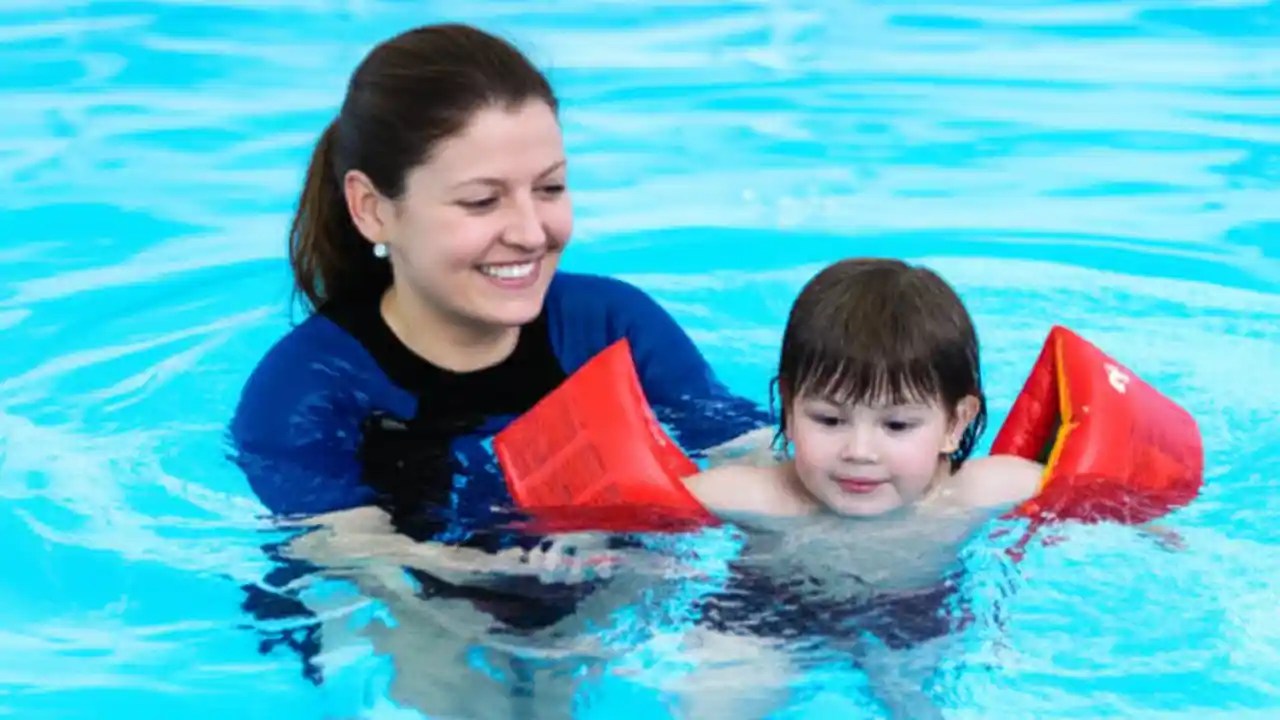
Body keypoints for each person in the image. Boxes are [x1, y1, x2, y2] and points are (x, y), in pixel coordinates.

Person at [225, 22, 769, 716]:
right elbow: (352, 555)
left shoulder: (611, 329)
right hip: (409, 589)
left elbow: (756, 459)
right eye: (482, 201)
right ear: (373, 209)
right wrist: (480, 572)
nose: (530, 231)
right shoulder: (305, 389)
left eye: (550, 188)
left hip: (586, 572)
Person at [659, 258, 1045, 719]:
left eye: (897, 425)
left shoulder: (976, 492)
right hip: (773, 603)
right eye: (829, 420)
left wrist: (1156, 534)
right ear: (788, 405)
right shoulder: (755, 495)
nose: (859, 451)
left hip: (913, 612)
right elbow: (631, 514)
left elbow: (1114, 500)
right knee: (708, 707)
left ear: (955, 424)